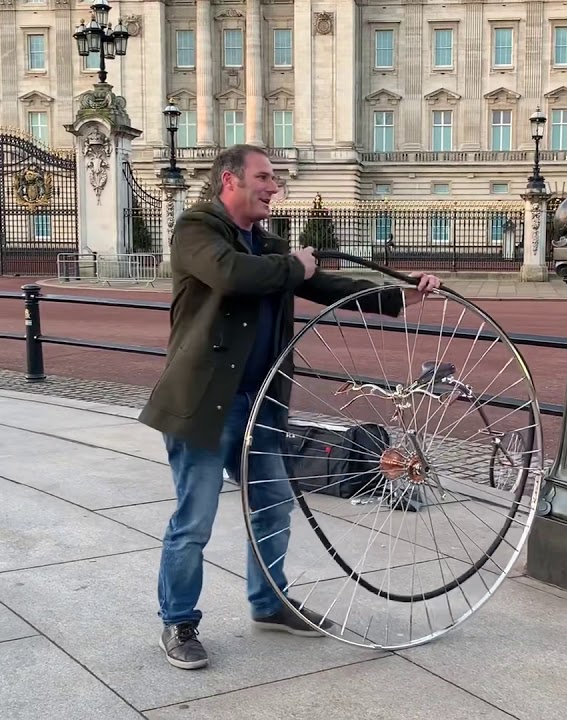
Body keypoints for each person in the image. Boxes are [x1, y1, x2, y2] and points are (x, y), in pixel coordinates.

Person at [138, 144, 441, 671]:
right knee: (195, 518)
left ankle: (269, 603)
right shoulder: (196, 228)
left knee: (274, 505)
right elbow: (233, 274)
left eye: (274, 178)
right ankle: (179, 621)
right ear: (230, 180)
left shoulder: (271, 246)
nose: (274, 187)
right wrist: (293, 265)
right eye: (264, 177)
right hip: (203, 405)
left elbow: (330, 287)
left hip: (261, 404)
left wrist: (401, 295)